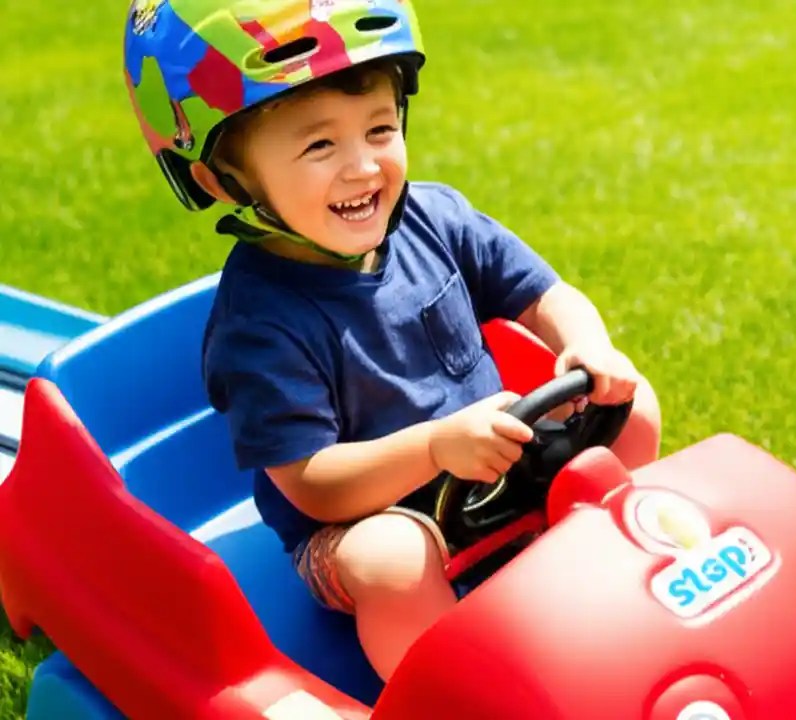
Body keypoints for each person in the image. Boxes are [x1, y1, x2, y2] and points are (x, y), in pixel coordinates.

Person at [123, 0, 660, 681]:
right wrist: (436, 446)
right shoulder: (258, 322)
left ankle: (611, 589)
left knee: (631, 407)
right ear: (219, 178)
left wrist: (588, 345)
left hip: (493, 463)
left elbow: (545, 295)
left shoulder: (436, 217)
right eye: (320, 145)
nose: (362, 167)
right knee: (392, 559)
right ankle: (451, 689)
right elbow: (313, 486)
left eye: (379, 128)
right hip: (362, 522)